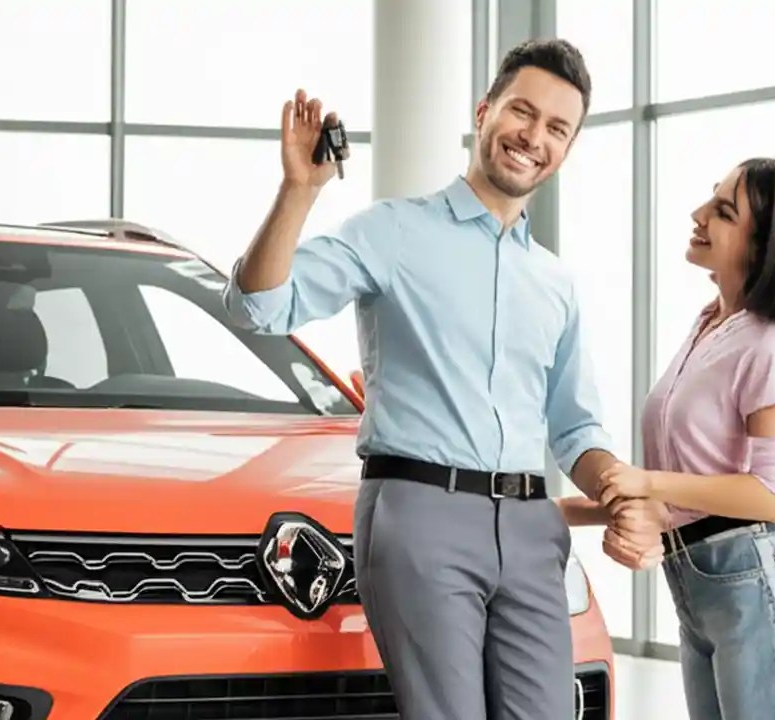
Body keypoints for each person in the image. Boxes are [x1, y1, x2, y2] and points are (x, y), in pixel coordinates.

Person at [222, 38, 664, 720]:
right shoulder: (393, 232)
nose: (533, 137)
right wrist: (297, 193)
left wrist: (620, 489)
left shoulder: (554, 283)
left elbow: (575, 427)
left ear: (567, 150)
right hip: (420, 513)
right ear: (485, 111)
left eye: (556, 128)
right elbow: (261, 305)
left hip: (530, 526)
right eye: (522, 111)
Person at [594, 157, 775, 719]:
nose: (699, 215)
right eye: (711, 200)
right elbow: (687, 480)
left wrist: (647, 482)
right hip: (696, 587)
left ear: (763, 246)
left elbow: (773, 496)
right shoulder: (709, 326)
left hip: (749, 583)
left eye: (724, 212)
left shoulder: (768, 348)